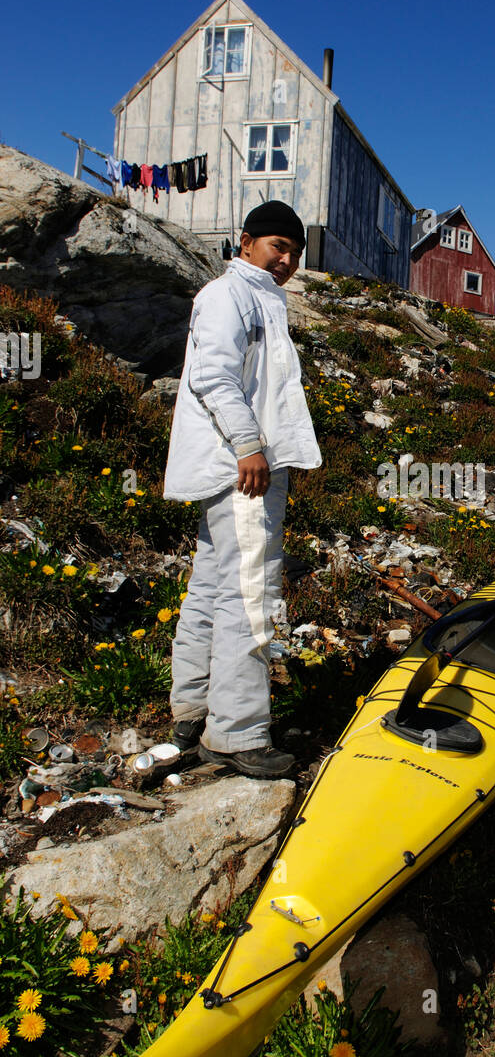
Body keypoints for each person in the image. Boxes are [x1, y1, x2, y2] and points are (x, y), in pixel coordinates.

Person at [162, 201, 322, 778]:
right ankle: (236, 732)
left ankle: (193, 709)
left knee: (212, 584)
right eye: (278, 246)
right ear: (247, 242)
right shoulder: (227, 295)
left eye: (296, 252)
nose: (287, 260)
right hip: (243, 466)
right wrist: (249, 445)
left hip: (239, 463)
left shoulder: (264, 301)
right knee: (249, 590)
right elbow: (213, 376)